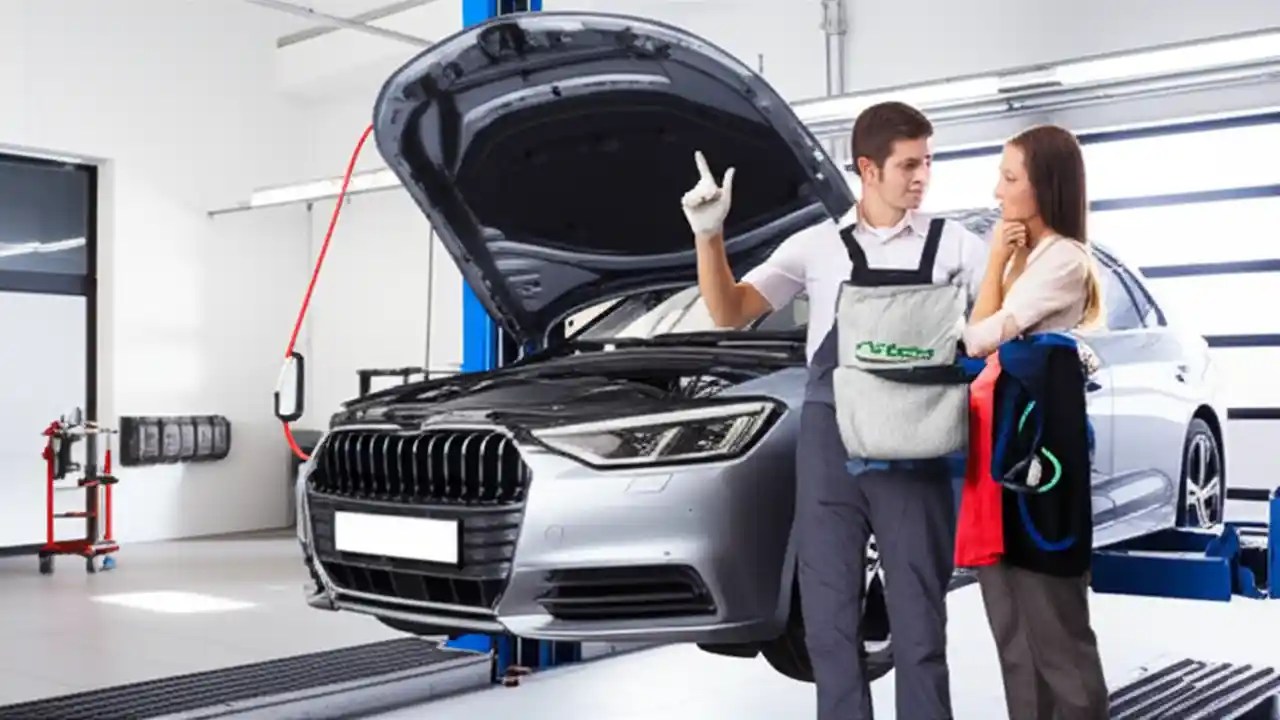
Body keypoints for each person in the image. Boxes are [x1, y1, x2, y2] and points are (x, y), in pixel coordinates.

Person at [679, 101, 988, 720]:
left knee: (919, 620)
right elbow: (731, 310)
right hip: (831, 444)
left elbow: (1000, 323)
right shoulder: (818, 247)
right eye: (908, 165)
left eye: (928, 161)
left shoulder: (957, 245)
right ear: (867, 169)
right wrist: (708, 236)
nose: (923, 176)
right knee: (827, 619)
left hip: (916, 443)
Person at [959, 123, 1110, 720]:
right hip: (1004, 449)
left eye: (1010, 177)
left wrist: (998, 263)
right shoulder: (1026, 261)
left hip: (1037, 453)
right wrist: (999, 256)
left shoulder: (1064, 261)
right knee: (1014, 635)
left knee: (1055, 628)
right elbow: (982, 328)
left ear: (1043, 186)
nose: (998, 192)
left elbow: (977, 336)